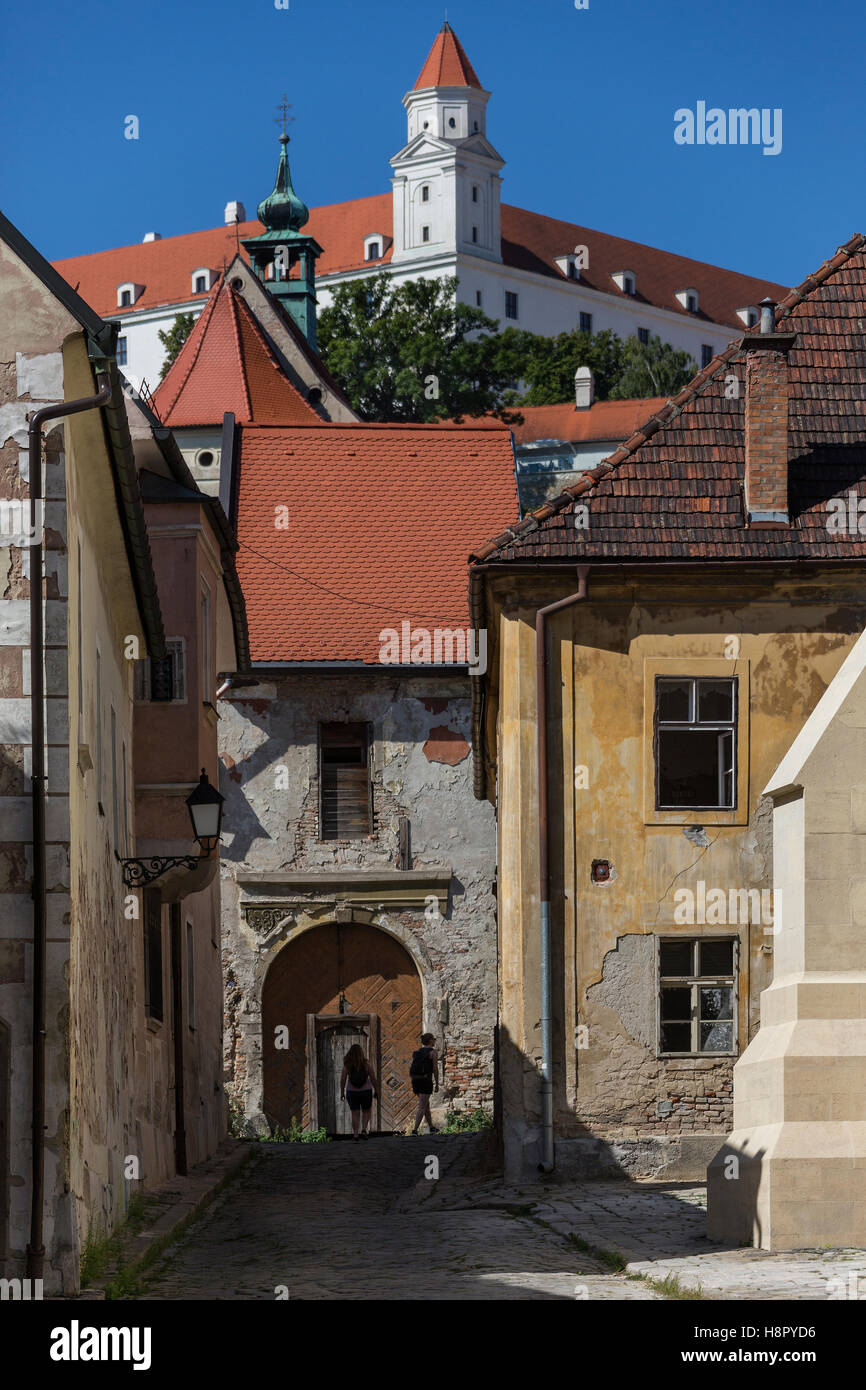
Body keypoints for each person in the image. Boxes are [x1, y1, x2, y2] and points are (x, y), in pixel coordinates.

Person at [340, 1043, 378, 1140]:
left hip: (352, 1092)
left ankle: (356, 1134)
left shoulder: (347, 1065)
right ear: (361, 1052)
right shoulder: (366, 1064)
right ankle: (364, 1130)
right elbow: (373, 1078)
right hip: (366, 1091)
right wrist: (376, 1090)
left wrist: (341, 1092)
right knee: (366, 1111)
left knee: (355, 1113)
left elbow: (343, 1079)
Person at [410, 1032, 439, 1134]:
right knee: (422, 1106)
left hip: (416, 1080)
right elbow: (435, 1069)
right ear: (430, 1040)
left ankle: (431, 1127)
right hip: (425, 1081)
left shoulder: (418, 1052)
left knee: (426, 1104)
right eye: (434, 1039)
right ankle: (415, 1130)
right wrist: (437, 1083)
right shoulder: (433, 1052)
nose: (435, 1040)